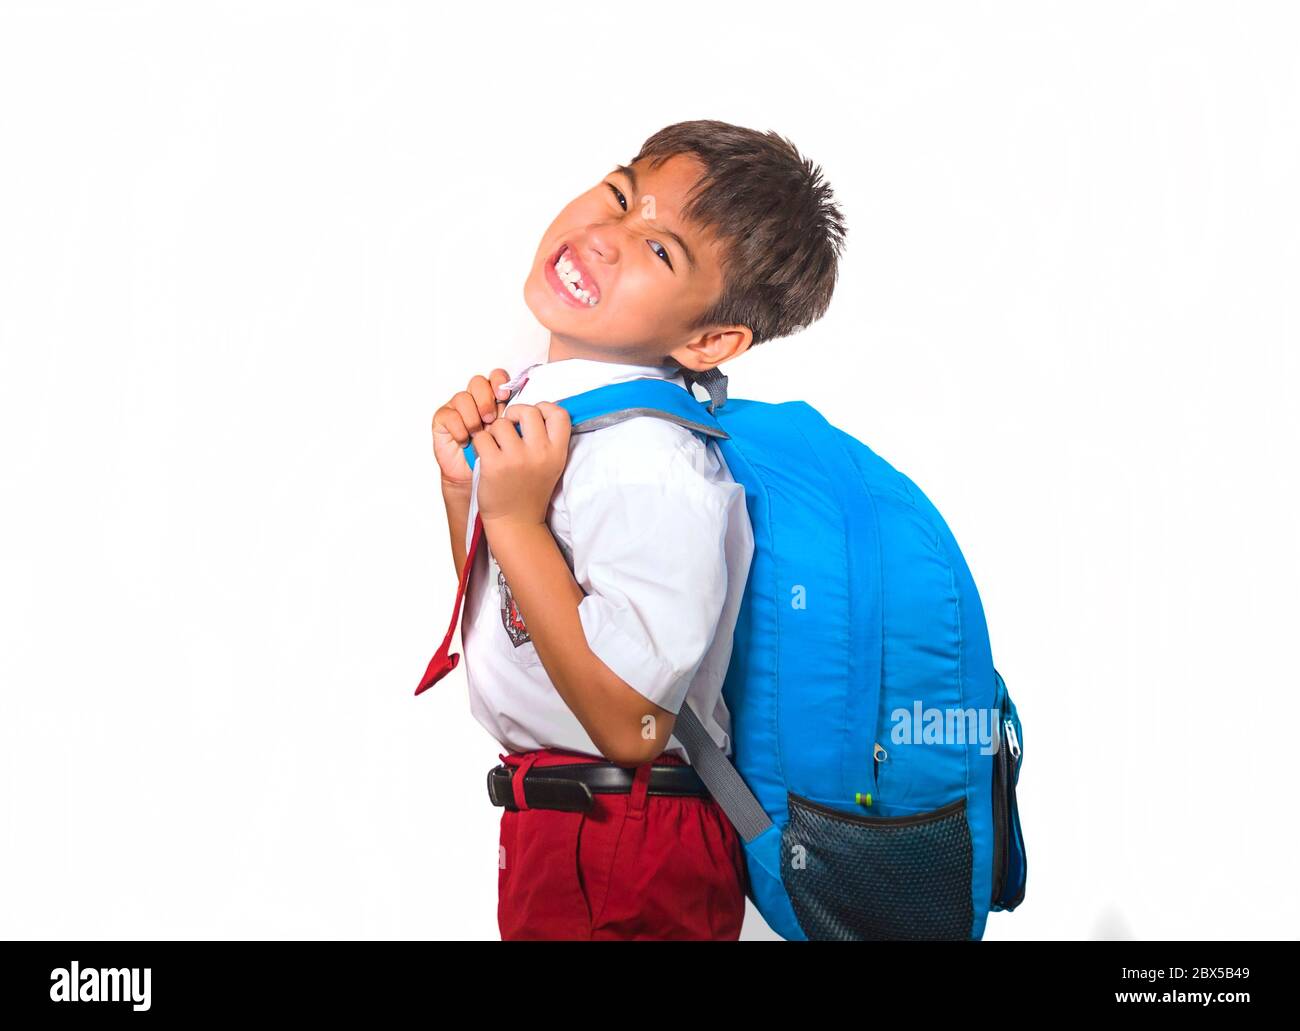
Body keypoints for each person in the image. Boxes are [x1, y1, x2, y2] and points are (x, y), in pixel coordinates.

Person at [425, 119, 847, 940]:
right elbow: (520, 634)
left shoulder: (655, 460)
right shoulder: (566, 415)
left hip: (628, 839)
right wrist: (464, 491)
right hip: (567, 824)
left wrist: (510, 516)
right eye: (621, 195)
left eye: (660, 252)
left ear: (708, 340)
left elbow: (633, 723)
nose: (608, 237)